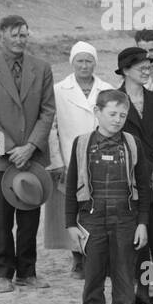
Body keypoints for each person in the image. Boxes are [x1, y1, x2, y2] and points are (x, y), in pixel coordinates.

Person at [0, 14, 57, 293]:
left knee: (30, 215)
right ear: (1, 36)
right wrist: (10, 150)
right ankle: (3, 273)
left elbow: (47, 111)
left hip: (33, 155)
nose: (20, 40)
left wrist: (31, 146)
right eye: (14, 34)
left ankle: (27, 272)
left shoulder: (42, 68)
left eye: (24, 35)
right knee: (2, 216)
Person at [65, 90, 152, 304]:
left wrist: (142, 223)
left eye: (122, 115)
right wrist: (70, 225)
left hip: (125, 219)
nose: (117, 120)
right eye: (112, 114)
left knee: (125, 280)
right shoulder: (81, 144)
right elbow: (70, 188)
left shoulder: (132, 143)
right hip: (91, 220)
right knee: (92, 281)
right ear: (97, 112)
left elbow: (145, 189)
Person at [47, 41, 114, 278]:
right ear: (72, 63)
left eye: (88, 61)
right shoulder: (58, 90)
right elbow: (52, 127)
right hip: (70, 156)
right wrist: (57, 161)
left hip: (101, 156)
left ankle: (97, 257)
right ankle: (77, 257)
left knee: (98, 207)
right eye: (80, 61)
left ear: (95, 63)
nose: (84, 66)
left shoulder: (106, 88)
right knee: (75, 207)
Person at [117, 46, 153, 304]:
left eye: (148, 65)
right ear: (126, 70)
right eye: (140, 66)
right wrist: (147, 167)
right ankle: (126, 291)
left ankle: (145, 291)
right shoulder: (115, 101)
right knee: (130, 240)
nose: (146, 69)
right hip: (126, 177)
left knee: (150, 239)